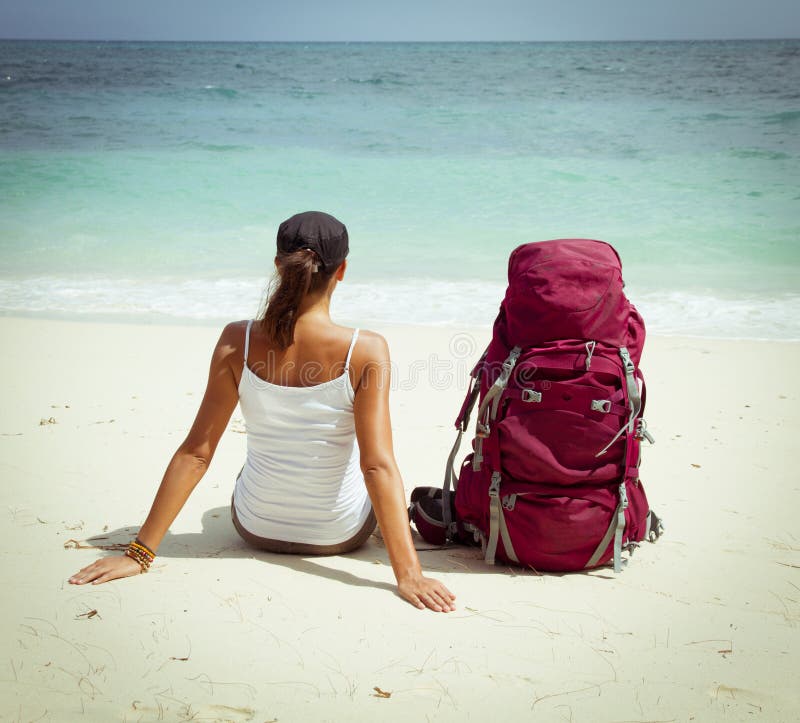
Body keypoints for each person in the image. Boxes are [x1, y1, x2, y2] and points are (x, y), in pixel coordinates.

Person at [68, 211, 456, 612]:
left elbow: (196, 453)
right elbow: (377, 466)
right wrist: (409, 574)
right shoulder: (366, 349)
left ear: (278, 265)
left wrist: (139, 554)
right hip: (338, 534)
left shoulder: (239, 339)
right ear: (341, 271)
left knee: (248, 475)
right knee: (363, 469)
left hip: (255, 528)